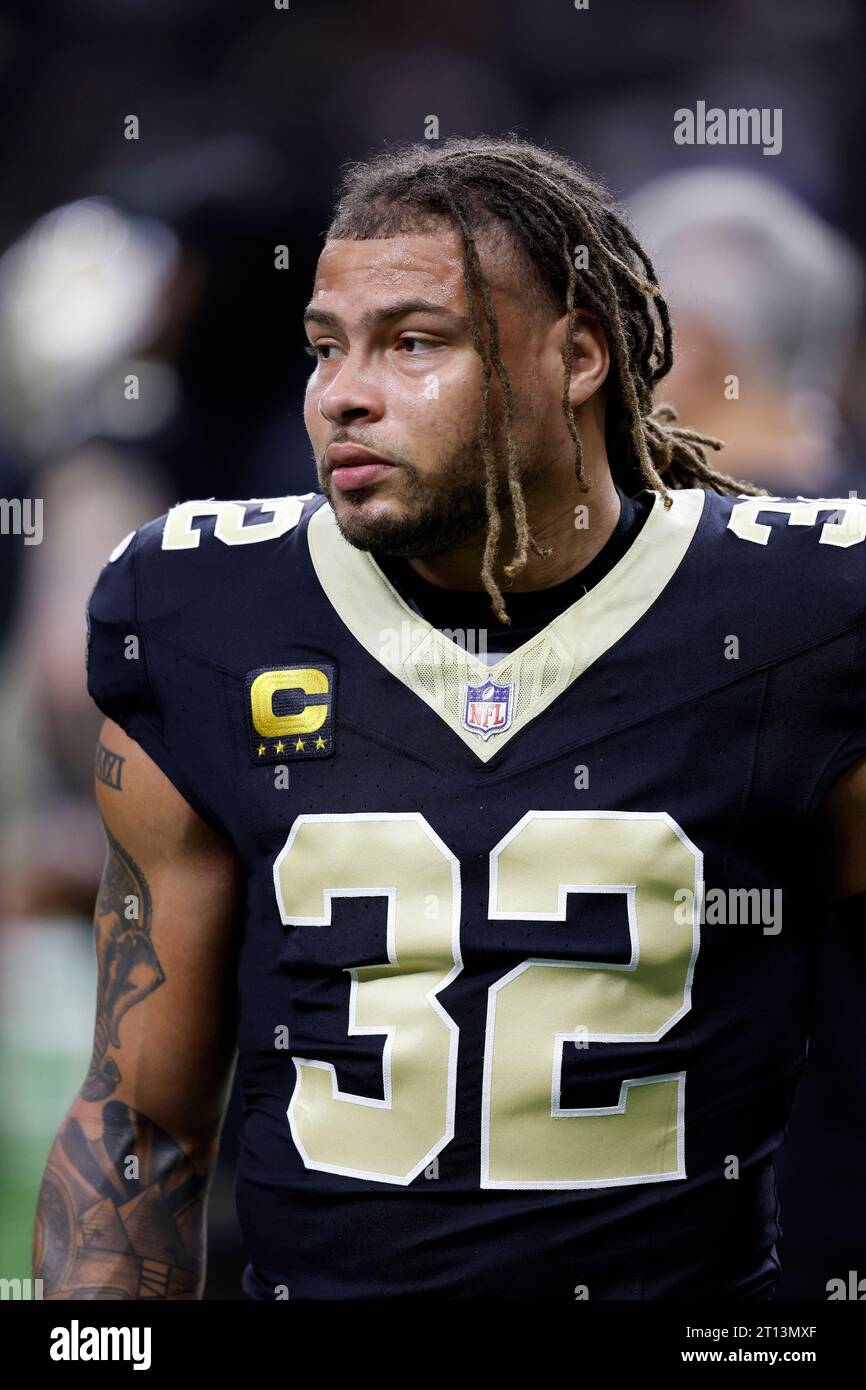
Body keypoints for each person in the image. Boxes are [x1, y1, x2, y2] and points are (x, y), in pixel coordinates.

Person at [32, 135, 866, 1300]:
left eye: (413, 342)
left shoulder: (802, 614)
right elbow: (141, 1123)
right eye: (326, 347)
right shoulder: (200, 609)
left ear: (578, 356)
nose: (343, 393)